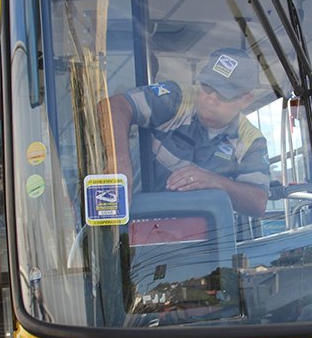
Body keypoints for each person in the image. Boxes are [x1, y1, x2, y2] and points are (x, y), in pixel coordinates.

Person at [107, 47, 270, 217]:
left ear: (246, 100)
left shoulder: (251, 141)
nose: (211, 99)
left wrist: (216, 182)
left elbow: (259, 203)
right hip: (131, 218)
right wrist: (119, 162)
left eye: (224, 94)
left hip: (204, 232)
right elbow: (115, 106)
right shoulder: (177, 99)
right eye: (207, 86)